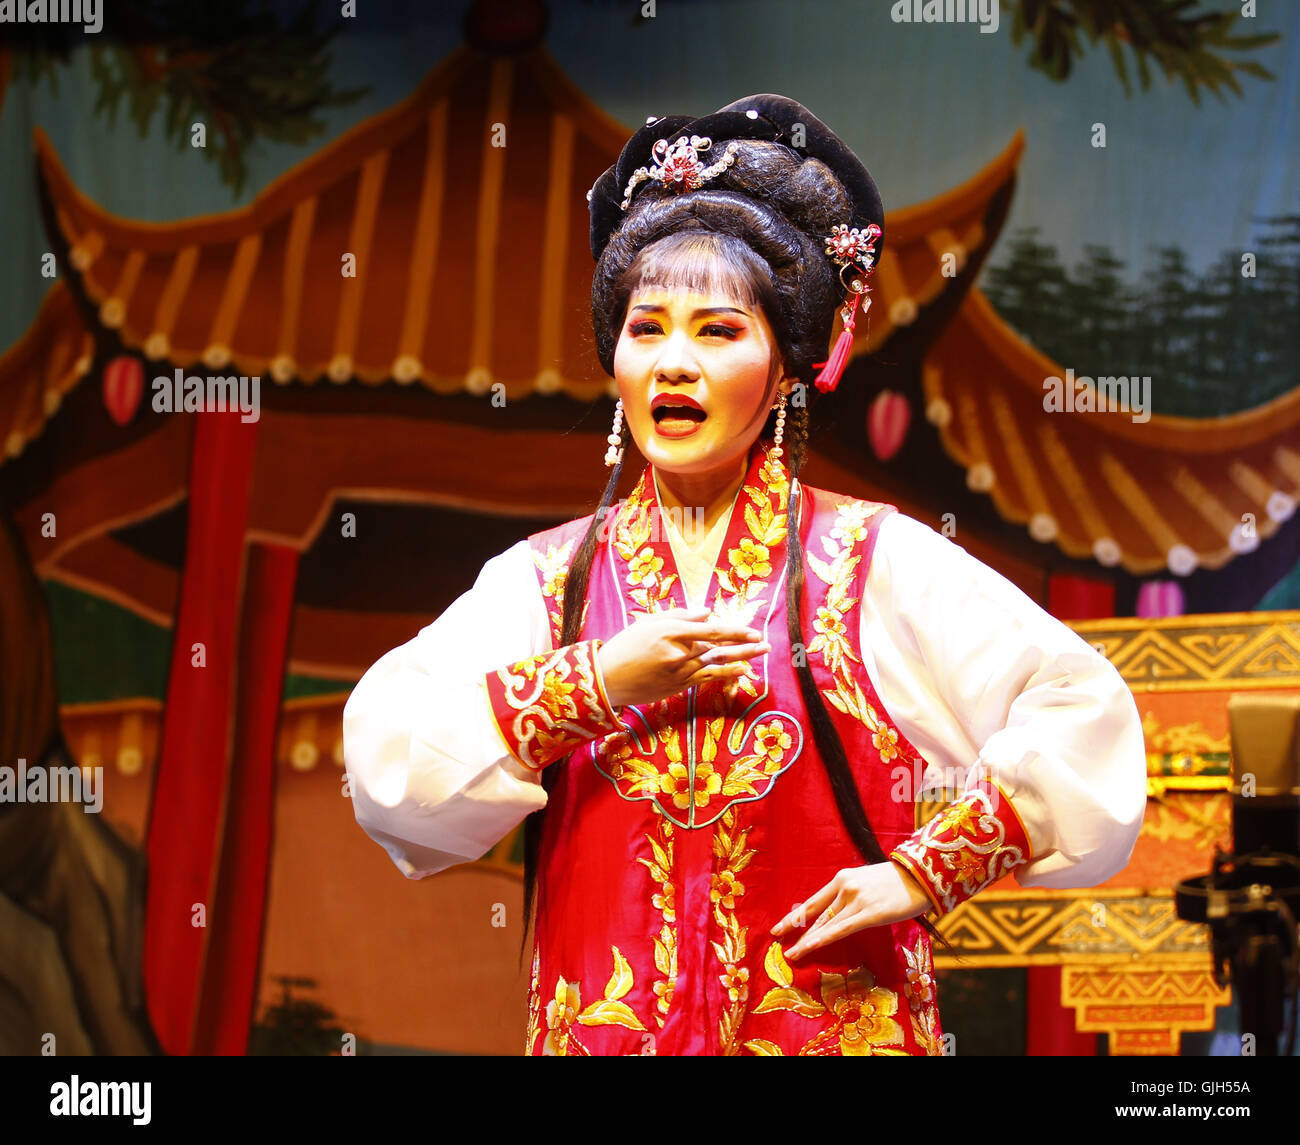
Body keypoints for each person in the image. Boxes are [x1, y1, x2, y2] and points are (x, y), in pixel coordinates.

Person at [342, 94, 1147, 1056]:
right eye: (647, 329)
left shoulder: (868, 562)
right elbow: (390, 762)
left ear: (784, 369)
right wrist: (594, 682)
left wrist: (928, 870)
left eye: (719, 332)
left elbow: (1079, 705)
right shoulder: (547, 584)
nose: (673, 364)